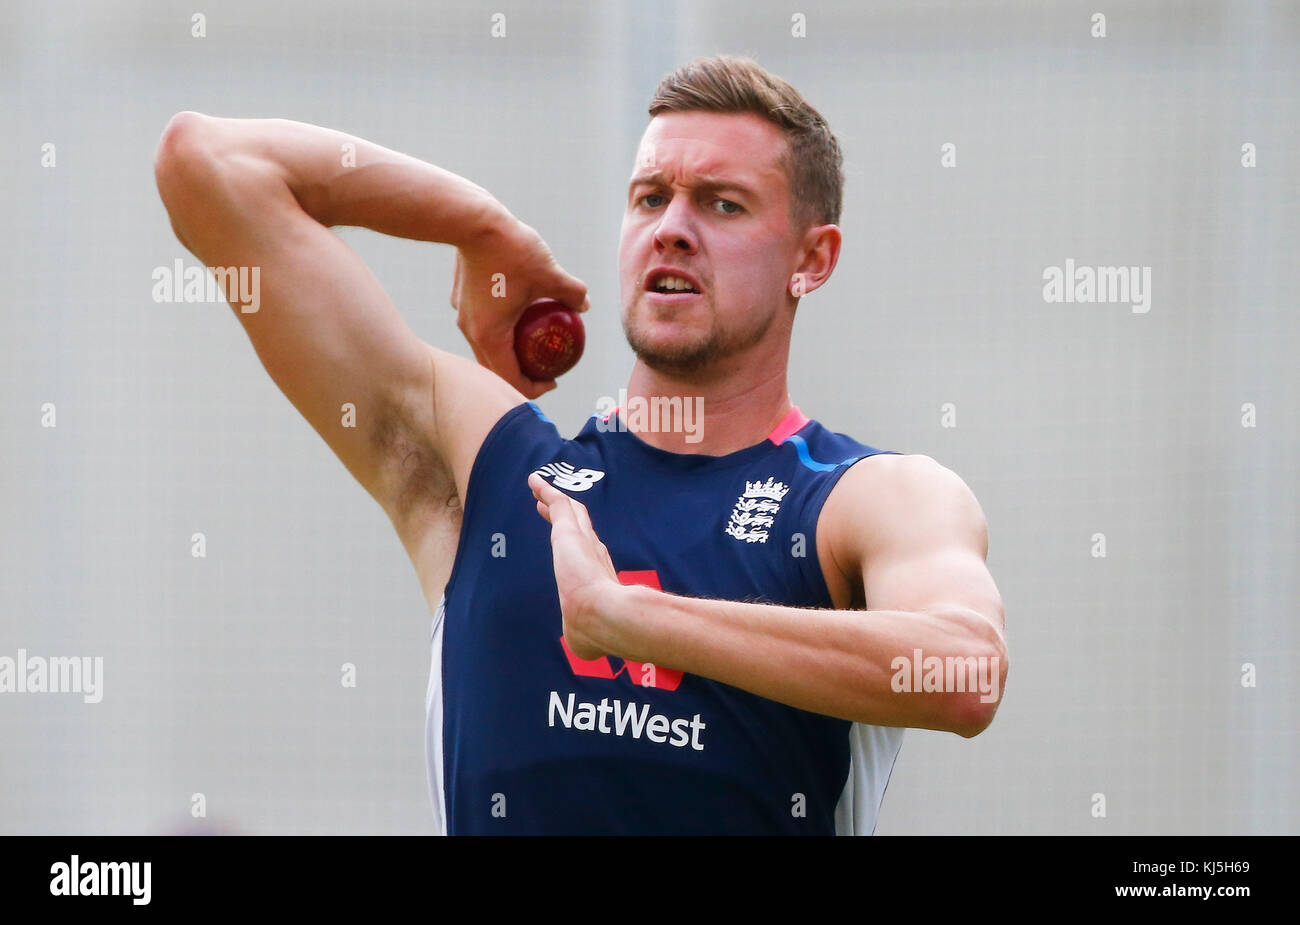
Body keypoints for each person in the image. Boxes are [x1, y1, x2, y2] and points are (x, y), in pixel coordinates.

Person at [154, 54, 1007, 835]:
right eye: (650, 198)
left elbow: (965, 672)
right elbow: (208, 165)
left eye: (722, 203)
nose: (672, 228)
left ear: (811, 260)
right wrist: (481, 224)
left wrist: (630, 618)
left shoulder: (861, 496)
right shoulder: (488, 464)